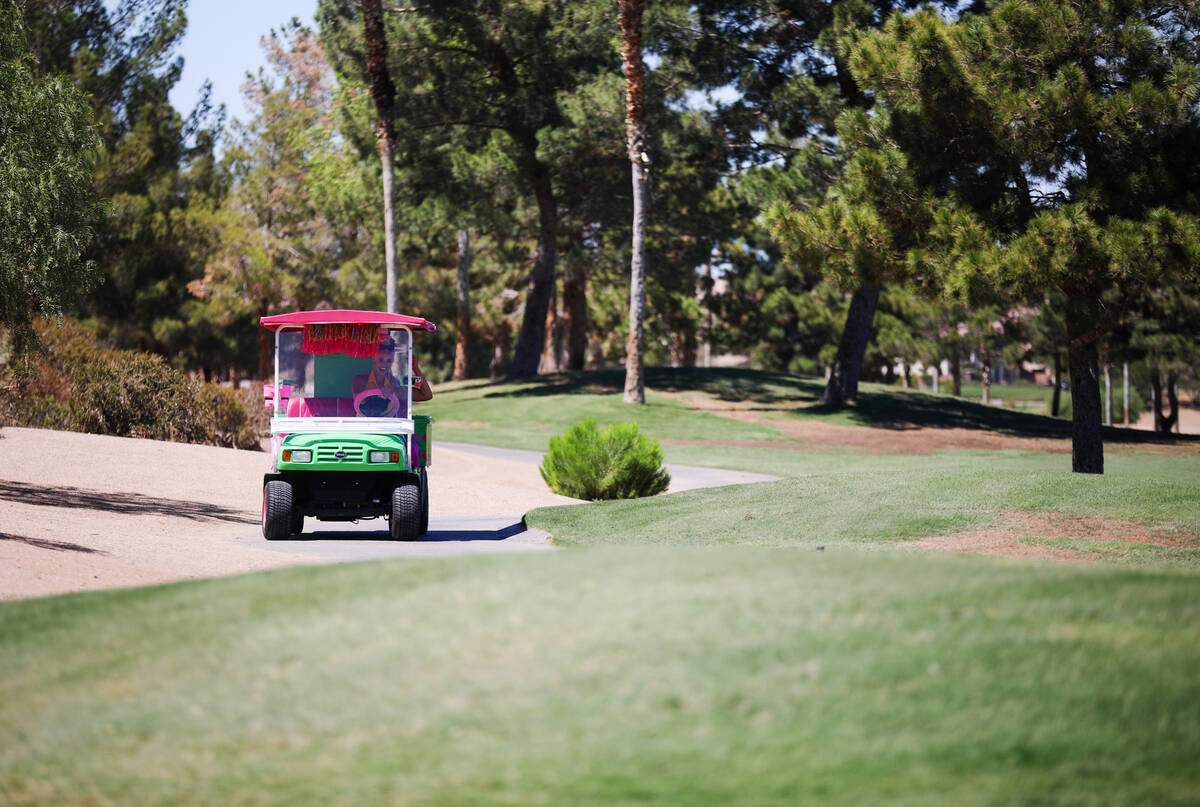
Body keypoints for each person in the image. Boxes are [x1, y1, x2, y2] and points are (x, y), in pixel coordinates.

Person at [351, 338, 433, 416]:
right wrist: (381, 391)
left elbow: (426, 395)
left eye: (389, 361)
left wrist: (415, 368)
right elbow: (357, 397)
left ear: (392, 361)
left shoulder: (398, 381)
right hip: (363, 425)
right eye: (380, 360)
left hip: (389, 427)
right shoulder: (361, 380)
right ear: (374, 358)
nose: (384, 365)